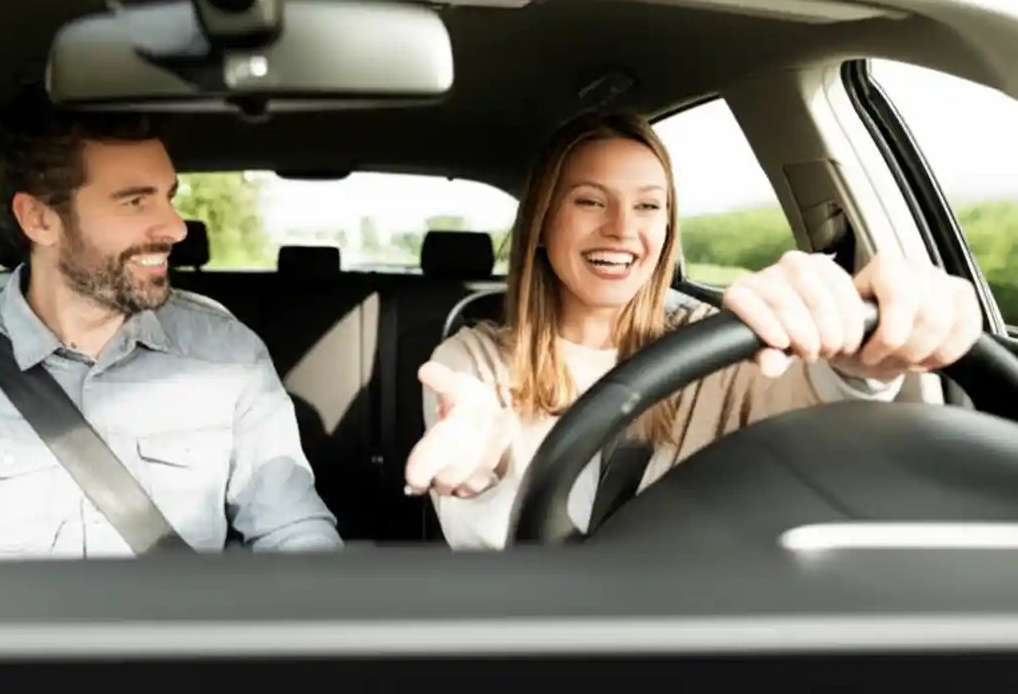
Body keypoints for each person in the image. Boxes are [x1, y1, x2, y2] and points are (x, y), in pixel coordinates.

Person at [405, 111, 983, 550]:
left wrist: (864, 359)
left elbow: (811, 398)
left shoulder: (716, 346)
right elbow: (483, 526)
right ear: (540, 224)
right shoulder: (470, 362)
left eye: (648, 207)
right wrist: (485, 474)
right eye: (589, 201)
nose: (621, 229)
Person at [0, 87, 341, 571]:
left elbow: (294, 532)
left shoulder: (226, 352)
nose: (177, 227)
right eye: (135, 202)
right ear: (39, 220)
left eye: (169, 195)